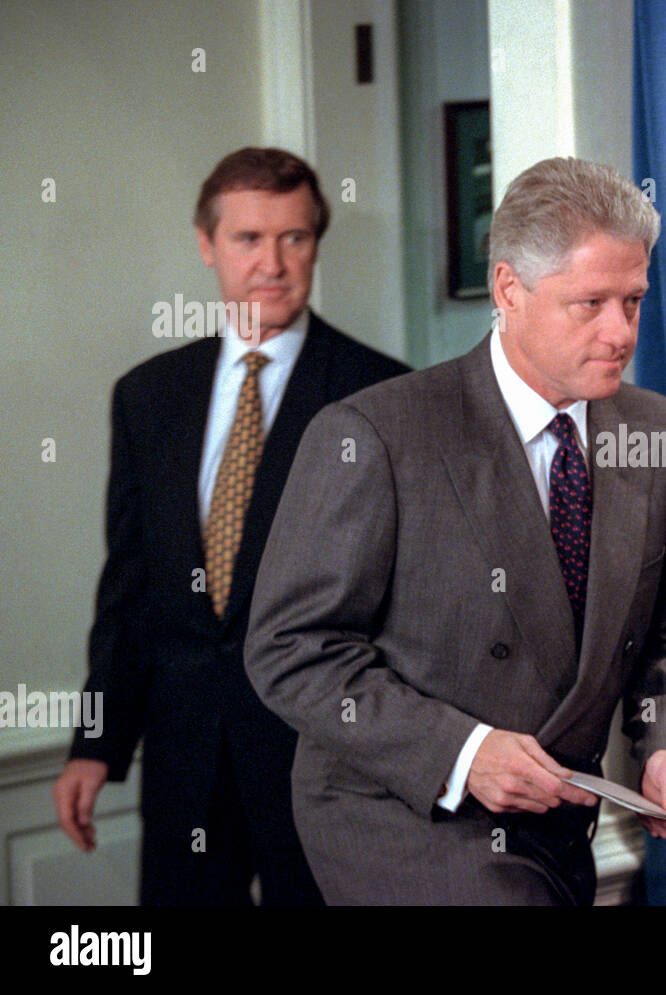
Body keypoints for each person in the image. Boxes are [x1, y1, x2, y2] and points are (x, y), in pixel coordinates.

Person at [244, 156, 666, 905]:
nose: (619, 331)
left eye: (633, 301)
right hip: (406, 814)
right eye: (589, 302)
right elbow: (288, 648)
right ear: (508, 289)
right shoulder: (374, 433)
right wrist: (463, 753)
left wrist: (665, 743)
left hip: (559, 826)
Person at [52, 147, 410, 905]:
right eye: (249, 239)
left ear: (316, 243)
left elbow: (404, 606)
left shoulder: (382, 395)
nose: (272, 263)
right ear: (206, 244)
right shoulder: (149, 396)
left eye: (295, 238)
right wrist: (96, 742)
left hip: (323, 764)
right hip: (184, 762)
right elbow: (129, 591)